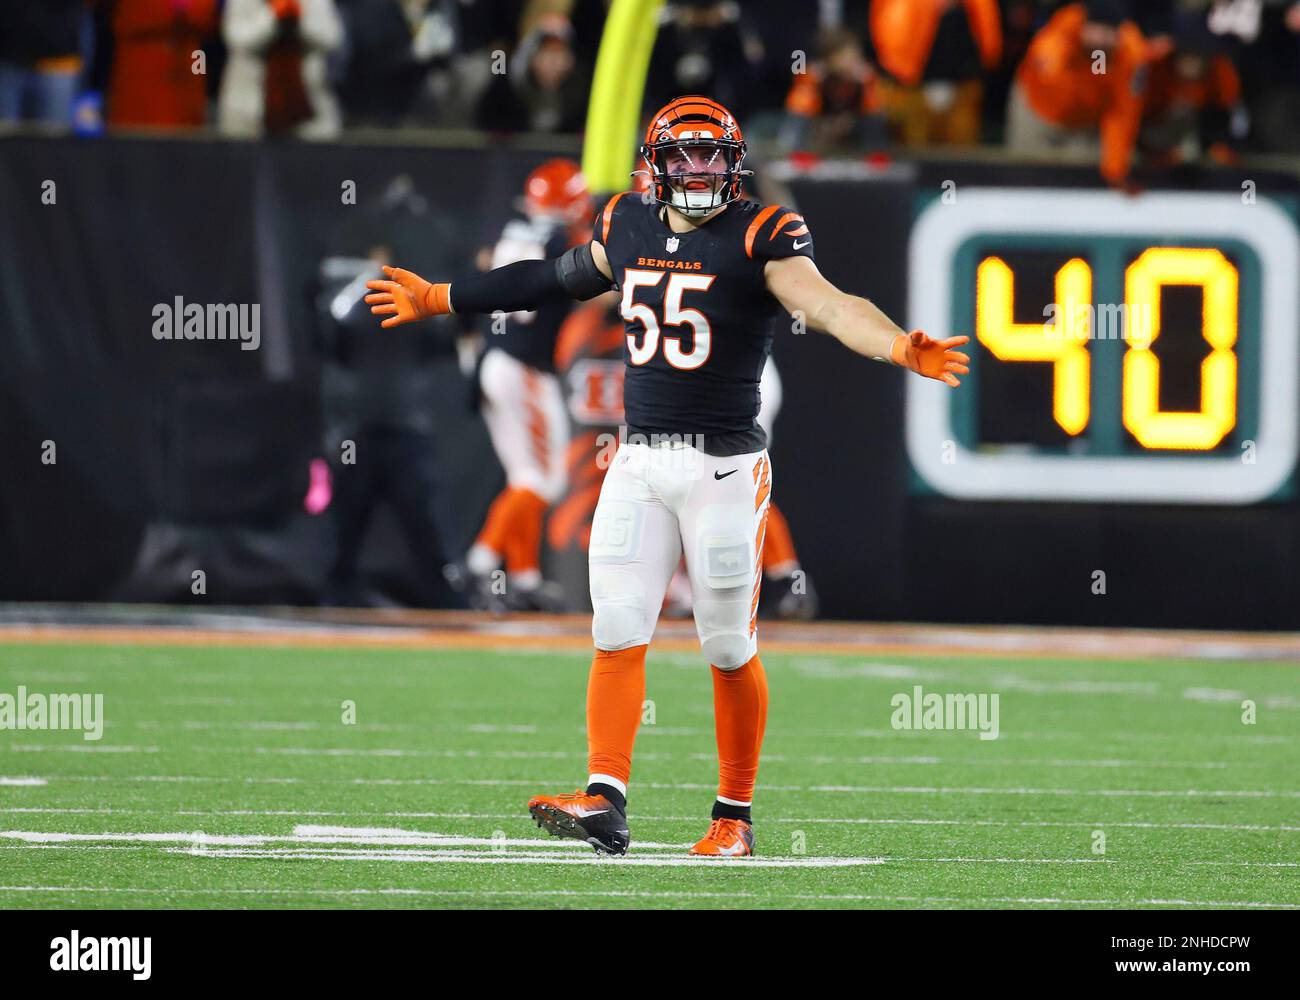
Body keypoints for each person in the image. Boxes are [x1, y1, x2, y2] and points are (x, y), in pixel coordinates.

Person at [364, 95, 969, 857]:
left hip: (723, 467)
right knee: (616, 626)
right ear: (656, 165)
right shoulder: (628, 223)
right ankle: (605, 798)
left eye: (711, 155)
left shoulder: (762, 233)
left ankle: (733, 817)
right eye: (682, 155)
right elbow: (552, 279)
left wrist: (897, 347)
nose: (697, 169)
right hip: (640, 458)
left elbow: (831, 305)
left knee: (726, 645)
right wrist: (441, 296)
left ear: (734, 163)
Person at [459, 158, 591, 611]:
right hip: (525, 367)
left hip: (496, 360)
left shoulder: (511, 233)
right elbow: (593, 279)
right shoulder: (560, 240)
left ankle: (524, 576)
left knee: (523, 478)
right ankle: (478, 564)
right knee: (542, 481)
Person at [1007, 1, 1149, 188]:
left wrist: (1116, 168)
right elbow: (1048, 64)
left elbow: (1123, 112)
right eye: (1095, 30)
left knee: (1080, 181)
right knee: (1028, 178)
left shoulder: (1132, 54)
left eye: (1108, 33)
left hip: (1083, 126)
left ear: (1120, 33)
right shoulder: (1061, 34)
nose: (1100, 38)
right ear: (1084, 25)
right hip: (1038, 113)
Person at [869, 0, 1002, 146]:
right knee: (913, 150)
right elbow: (885, 40)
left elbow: (988, 41)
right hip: (910, 89)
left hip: (962, 88)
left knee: (961, 152)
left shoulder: (975, 6)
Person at [217, 0, 344, 139]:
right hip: (248, 110)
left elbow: (332, 37)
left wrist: (297, 17)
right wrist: (273, 16)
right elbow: (236, 38)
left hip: (309, 107)